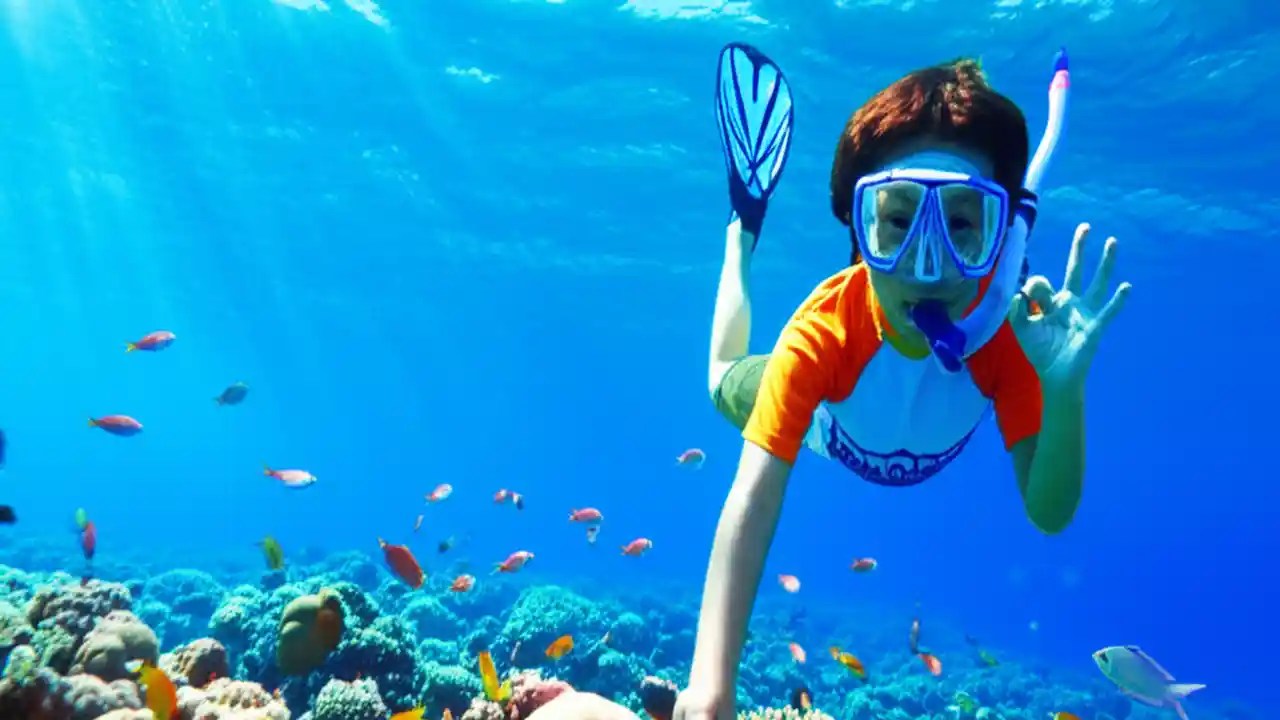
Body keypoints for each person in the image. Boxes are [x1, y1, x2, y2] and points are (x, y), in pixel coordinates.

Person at [674, 45, 1131, 720]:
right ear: (860, 235)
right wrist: (711, 686)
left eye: (962, 229)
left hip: (875, 418)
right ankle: (742, 230)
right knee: (717, 381)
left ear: (998, 241)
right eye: (896, 221)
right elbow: (750, 506)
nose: (925, 265)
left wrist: (1064, 393)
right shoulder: (822, 338)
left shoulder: (1011, 341)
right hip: (827, 418)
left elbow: (1048, 511)